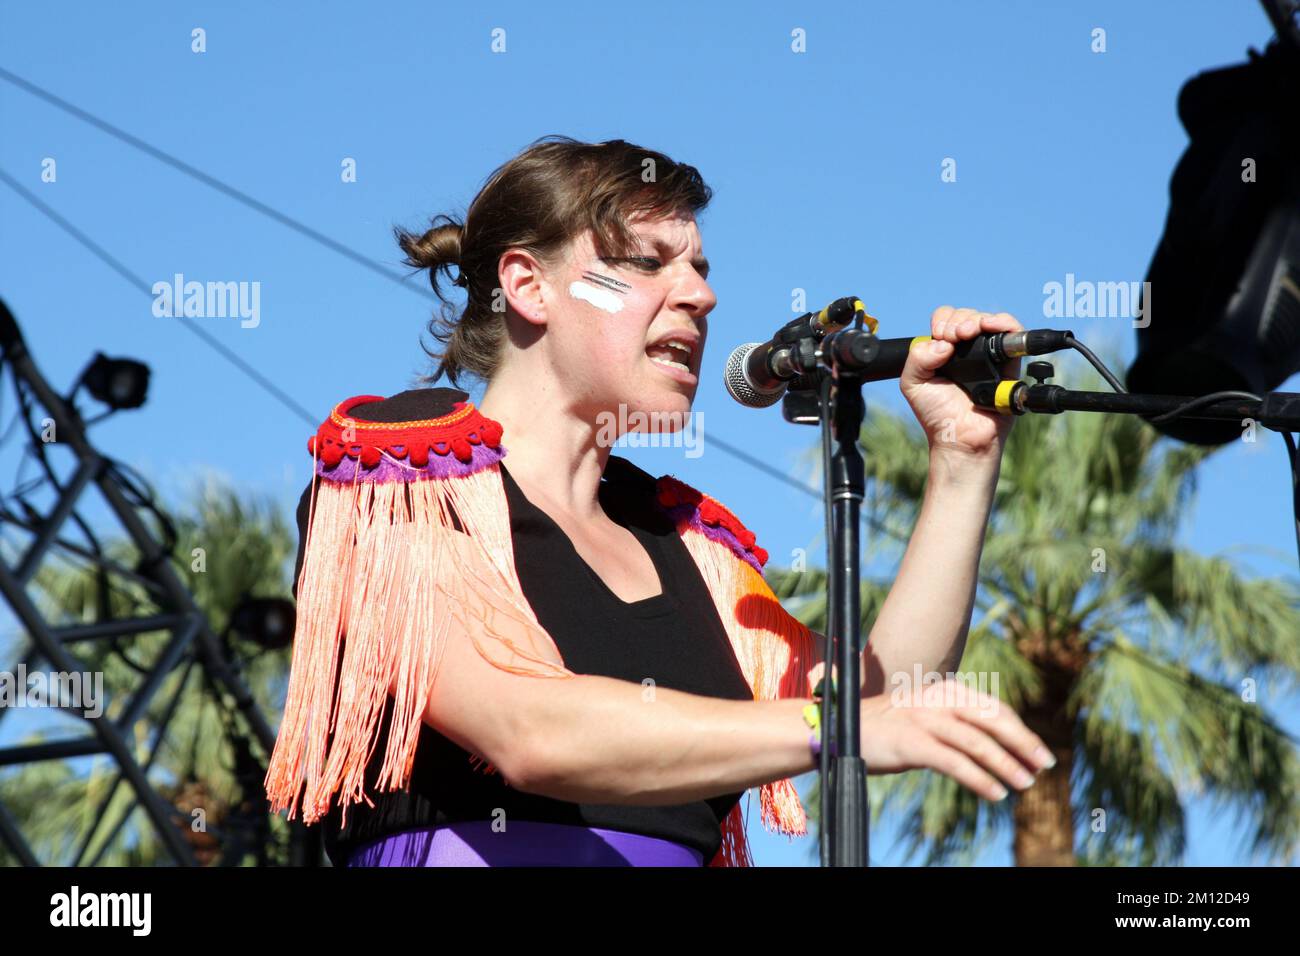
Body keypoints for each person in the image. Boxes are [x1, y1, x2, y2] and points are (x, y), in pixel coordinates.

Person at [264, 135, 1054, 867]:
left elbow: (883, 697)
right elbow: (528, 730)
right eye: (648, 262)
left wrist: (963, 459)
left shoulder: (686, 542)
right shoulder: (400, 467)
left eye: (702, 269)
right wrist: (835, 728)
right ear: (528, 285)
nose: (701, 297)